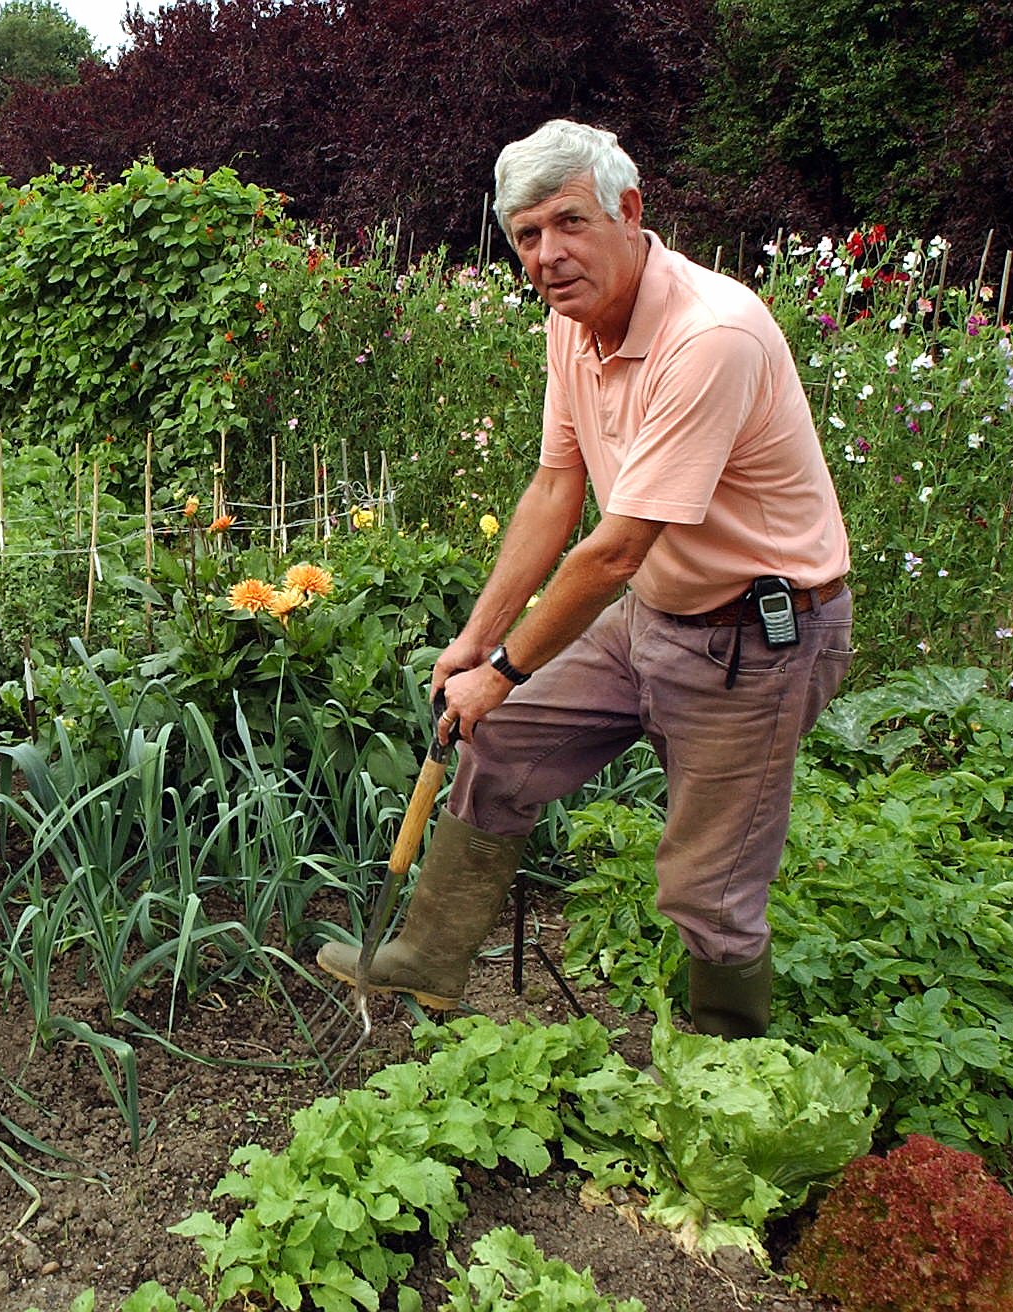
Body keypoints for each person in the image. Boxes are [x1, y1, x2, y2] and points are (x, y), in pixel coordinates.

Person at [317, 119, 853, 1038]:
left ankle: (725, 1074)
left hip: (757, 638)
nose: (548, 254)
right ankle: (431, 959)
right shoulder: (576, 326)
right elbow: (556, 486)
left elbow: (613, 550)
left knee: (708, 885)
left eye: (568, 222)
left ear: (628, 212)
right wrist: (477, 642)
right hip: (654, 616)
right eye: (527, 235)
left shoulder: (710, 335)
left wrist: (508, 666)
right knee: (501, 738)